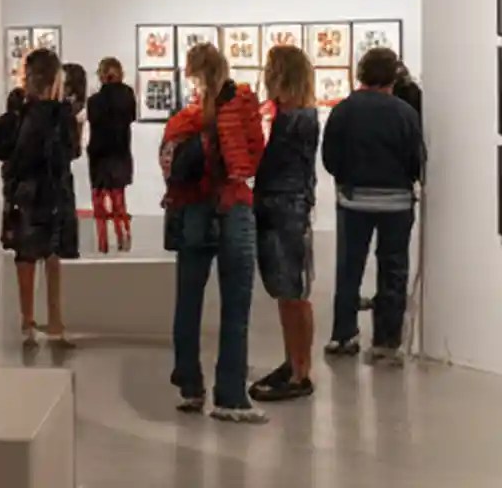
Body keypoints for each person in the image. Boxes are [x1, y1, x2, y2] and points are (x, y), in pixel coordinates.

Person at [163, 42, 266, 424]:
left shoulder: (182, 121)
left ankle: (190, 386)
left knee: (188, 301)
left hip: (192, 211)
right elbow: (253, 158)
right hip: (233, 207)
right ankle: (231, 396)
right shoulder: (240, 106)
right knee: (236, 305)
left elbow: (170, 168)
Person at [322, 47, 422, 366]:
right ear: (393, 76)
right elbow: (416, 160)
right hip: (397, 203)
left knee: (350, 266)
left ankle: (344, 334)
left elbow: (330, 159)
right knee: (393, 269)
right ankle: (386, 342)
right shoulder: (405, 113)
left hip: (354, 201)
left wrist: (349, 178)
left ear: (360, 73)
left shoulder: (343, 111)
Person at [249, 46, 320, 402]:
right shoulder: (293, 115)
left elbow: (268, 161)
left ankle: (299, 372)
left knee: (292, 294)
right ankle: (293, 362)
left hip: (285, 210)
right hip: (282, 207)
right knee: (286, 293)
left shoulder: (295, 119)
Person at [0, 50, 79, 346]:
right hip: (52, 191)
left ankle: (28, 322)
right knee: (50, 256)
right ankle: (54, 322)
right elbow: (73, 150)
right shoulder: (58, 114)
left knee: (28, 256)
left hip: (28, 192)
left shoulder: (23, 112)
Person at [86, 57, 136, 253]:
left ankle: (103, 244)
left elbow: (94, 120)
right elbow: (130, 117)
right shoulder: (128, 97)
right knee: (119, 202)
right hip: (120, 153)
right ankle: (123, 237)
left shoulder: (94, 101)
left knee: (99, 205)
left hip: (99, 156)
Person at [0, 88, 27, 248]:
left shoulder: (2, 121)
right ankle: (24, 233)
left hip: (8, 165)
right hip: (25, 164)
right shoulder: (29, 122)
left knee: (9, 200)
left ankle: (9, 234)